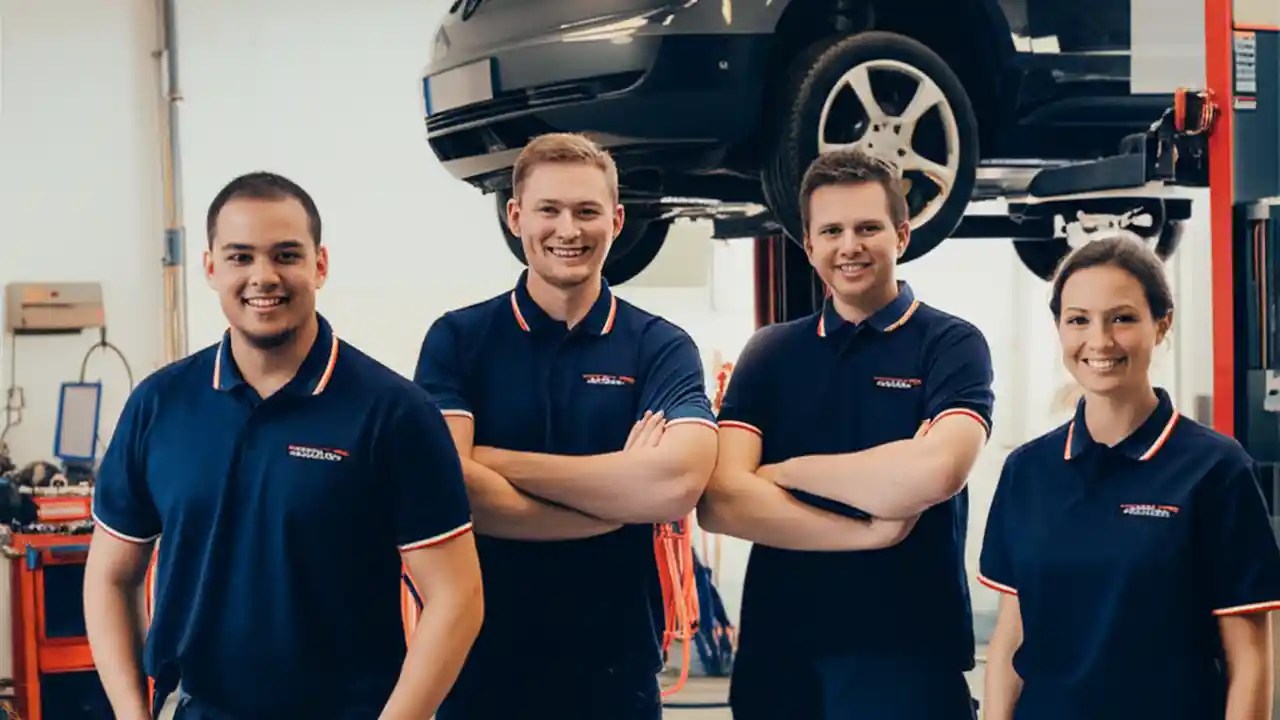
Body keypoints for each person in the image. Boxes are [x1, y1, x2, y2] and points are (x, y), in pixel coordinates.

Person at [84, 171, 484, 720]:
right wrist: (133, 713)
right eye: (241, 257)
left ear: (320, 264)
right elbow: (110, 575)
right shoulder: (159, 405)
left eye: (286, 255)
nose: (263, 277)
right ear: (210, 267)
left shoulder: (394, 414)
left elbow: (456, 598)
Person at [413, 132, 719, 719]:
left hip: (614, 673)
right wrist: (618, 498)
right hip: (481, 669)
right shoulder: (459, 341)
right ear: (515, 215)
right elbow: (446, 487)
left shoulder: (659, 347)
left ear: (617, 220)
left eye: (586, 212)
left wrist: (494, 462)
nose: (568, 230)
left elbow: (676, 485)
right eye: (548, 210)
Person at [698, 148, 994, 719]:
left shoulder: (951, 345)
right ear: (808, 245)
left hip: (908, 655)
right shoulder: (771, 353)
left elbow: (935, 472)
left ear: (902, 235)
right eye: (831, 230)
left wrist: (785, 473)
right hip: (780, 656)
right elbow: (720, 501)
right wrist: (868, 530)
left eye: (867, 227)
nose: (849, 246)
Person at [979, 235, 1280, 719]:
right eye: (1078, 320)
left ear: (1162, 325)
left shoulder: (1217, 469)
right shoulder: (1027, 471)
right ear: (1059, 327)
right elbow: (1010, 640)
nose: (1099, 341)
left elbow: (1249, 658)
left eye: (1122, 318)